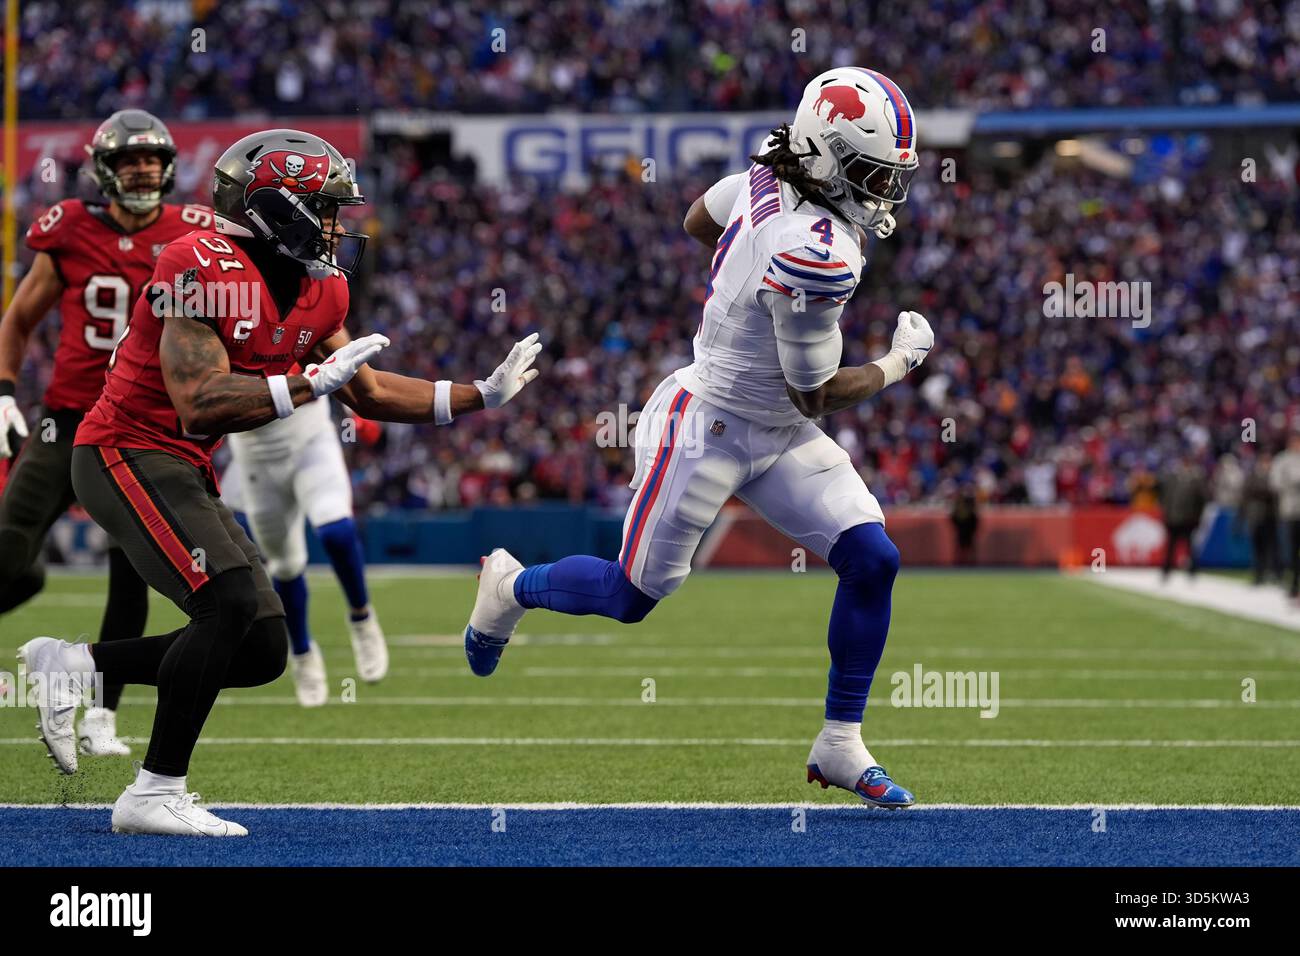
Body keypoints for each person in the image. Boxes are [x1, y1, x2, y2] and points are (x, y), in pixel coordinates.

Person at [18, 129, 542, 836]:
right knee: (227, 601)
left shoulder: (323, 288)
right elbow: (196, 399)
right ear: (278, 206)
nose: (338, 226)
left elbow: (373, 391)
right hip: (122, 449)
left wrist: (480, 393)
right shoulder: (196, 259)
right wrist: (301, 385)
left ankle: (73, 666)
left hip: (184, 463)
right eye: (325, 209)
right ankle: (152, 792)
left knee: (262, 646)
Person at [462, 68, 930, 808]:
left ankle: (840, 743)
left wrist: (738, 278)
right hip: (707, 423)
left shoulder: (767, 174)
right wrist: (900, 362)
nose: (883, 191)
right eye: (872, 172)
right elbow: (816, 392)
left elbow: (696, 221)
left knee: (872, 559)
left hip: (776, 429)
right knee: (632, 596)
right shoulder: (817, 252)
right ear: (827, 156)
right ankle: (508, 586)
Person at [0, 110, 213, 756]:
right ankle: (31, 589)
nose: (142, 170)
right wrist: (5, 390)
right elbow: (18, 319)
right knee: (10, 552)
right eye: (128, 161)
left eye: (150, 160)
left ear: (169, 167)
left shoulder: (196, 236)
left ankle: (101, 717)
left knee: (131, 575)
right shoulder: (68, 229)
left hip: (140, 425)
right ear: (105, 170)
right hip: (66, 417)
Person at [221, 396, 388, 705]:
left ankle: (362, 617)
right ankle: (302, 651)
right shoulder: (215, 345)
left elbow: (337, 355)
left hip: (310, 438)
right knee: (285, 565)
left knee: (337, 530)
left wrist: (358, 407)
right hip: (254, 456)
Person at [1158, 454, 1208, 581]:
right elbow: (1166, 497)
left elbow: (1201, 500)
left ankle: (1192, 571)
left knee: (1190, 547)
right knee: (1171, 546)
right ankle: (1167, 570)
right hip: (1173, 518)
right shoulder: (1173, 478)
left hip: (1188, 519)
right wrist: (1166, 513)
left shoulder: (1195, 479)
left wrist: (1197, 517)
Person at [1239, 452, 1279, 585]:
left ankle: (1272, 573)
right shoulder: (1253, 476)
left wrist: (1260, 493)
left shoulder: (1274, 476)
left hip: (1270, 516)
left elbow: (1274, 492)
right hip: (1256, 516)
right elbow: (1247, 492)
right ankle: (1258, 574)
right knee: (1257, 547)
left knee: (1271, 547)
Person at [1270, 431, 1300, 599]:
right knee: (1291, 550)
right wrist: (1292, 482)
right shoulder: (1282, 460)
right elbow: (1275, 483)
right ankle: (1293, 583)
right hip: (1289, 511)